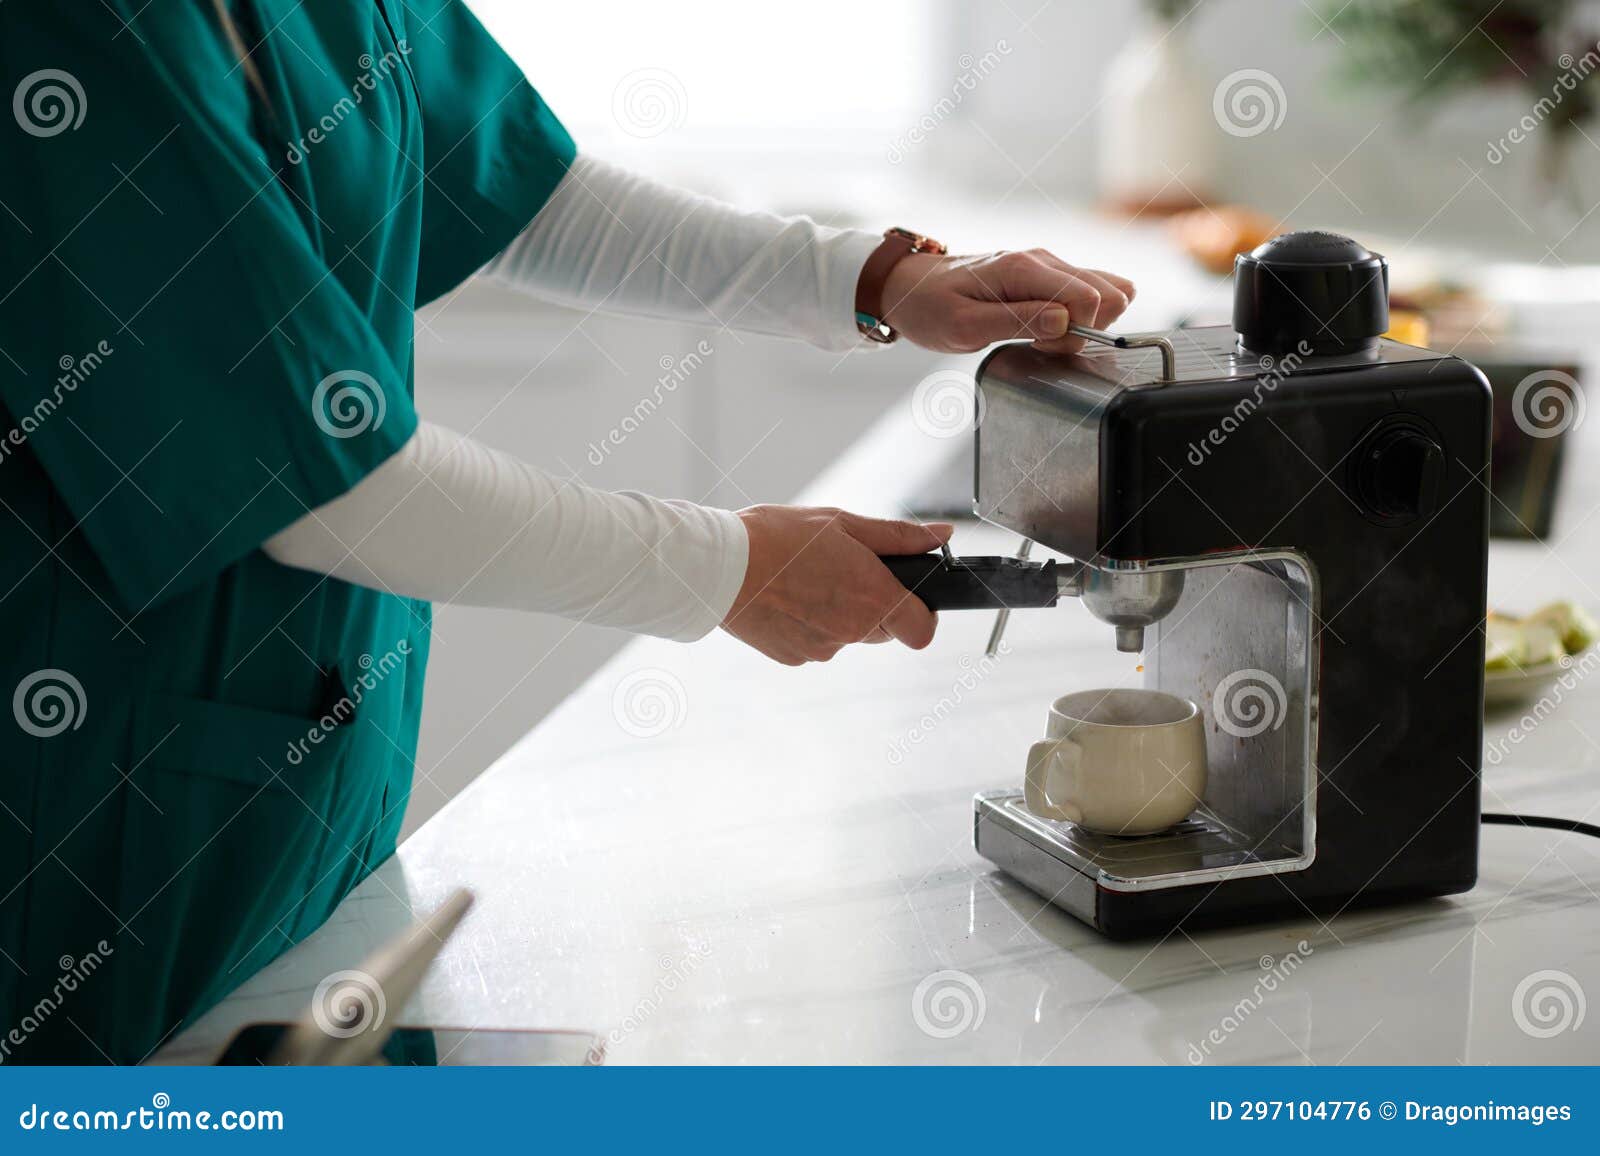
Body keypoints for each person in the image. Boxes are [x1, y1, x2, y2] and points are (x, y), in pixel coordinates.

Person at [0, 0, 1135, 1062]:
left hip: (293, 800)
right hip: (101, 824)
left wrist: (875, 278)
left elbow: (509, 184)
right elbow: (316, 485)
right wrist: (730, 570)